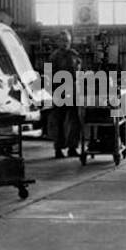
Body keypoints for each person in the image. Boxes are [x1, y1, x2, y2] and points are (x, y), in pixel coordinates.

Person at [48, 30, 81, 158]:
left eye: (67, 41)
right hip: (59, 91)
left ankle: (72, 147)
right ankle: (58, 148)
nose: (65, 43)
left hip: (72, 90)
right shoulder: (54, 57)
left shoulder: (74, 55)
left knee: (74, 119)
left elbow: (78, 71)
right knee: (59, 120)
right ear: (58, 42)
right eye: (62, 41)